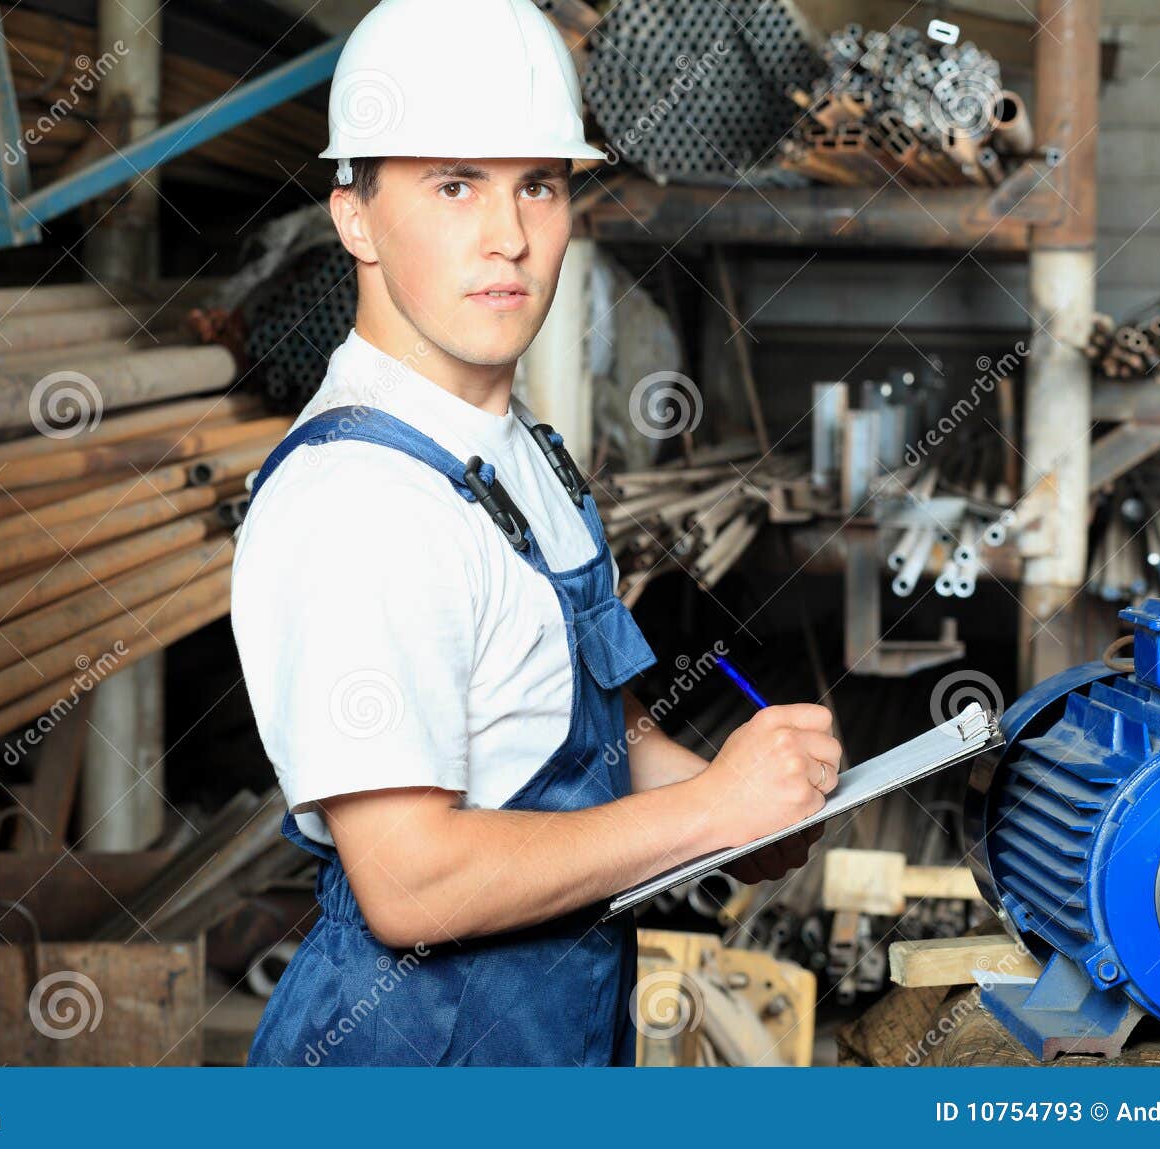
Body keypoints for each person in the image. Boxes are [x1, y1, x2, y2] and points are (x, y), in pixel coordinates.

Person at [231, 0, 839, 1067]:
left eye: (539, 186)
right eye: (453, 184)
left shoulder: (531, 456)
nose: (507, 236)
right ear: (356, 218)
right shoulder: (361, 502)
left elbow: (599, 729)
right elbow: (410, 882)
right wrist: (705, 811)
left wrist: (733, 808)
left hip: (555, 1027)